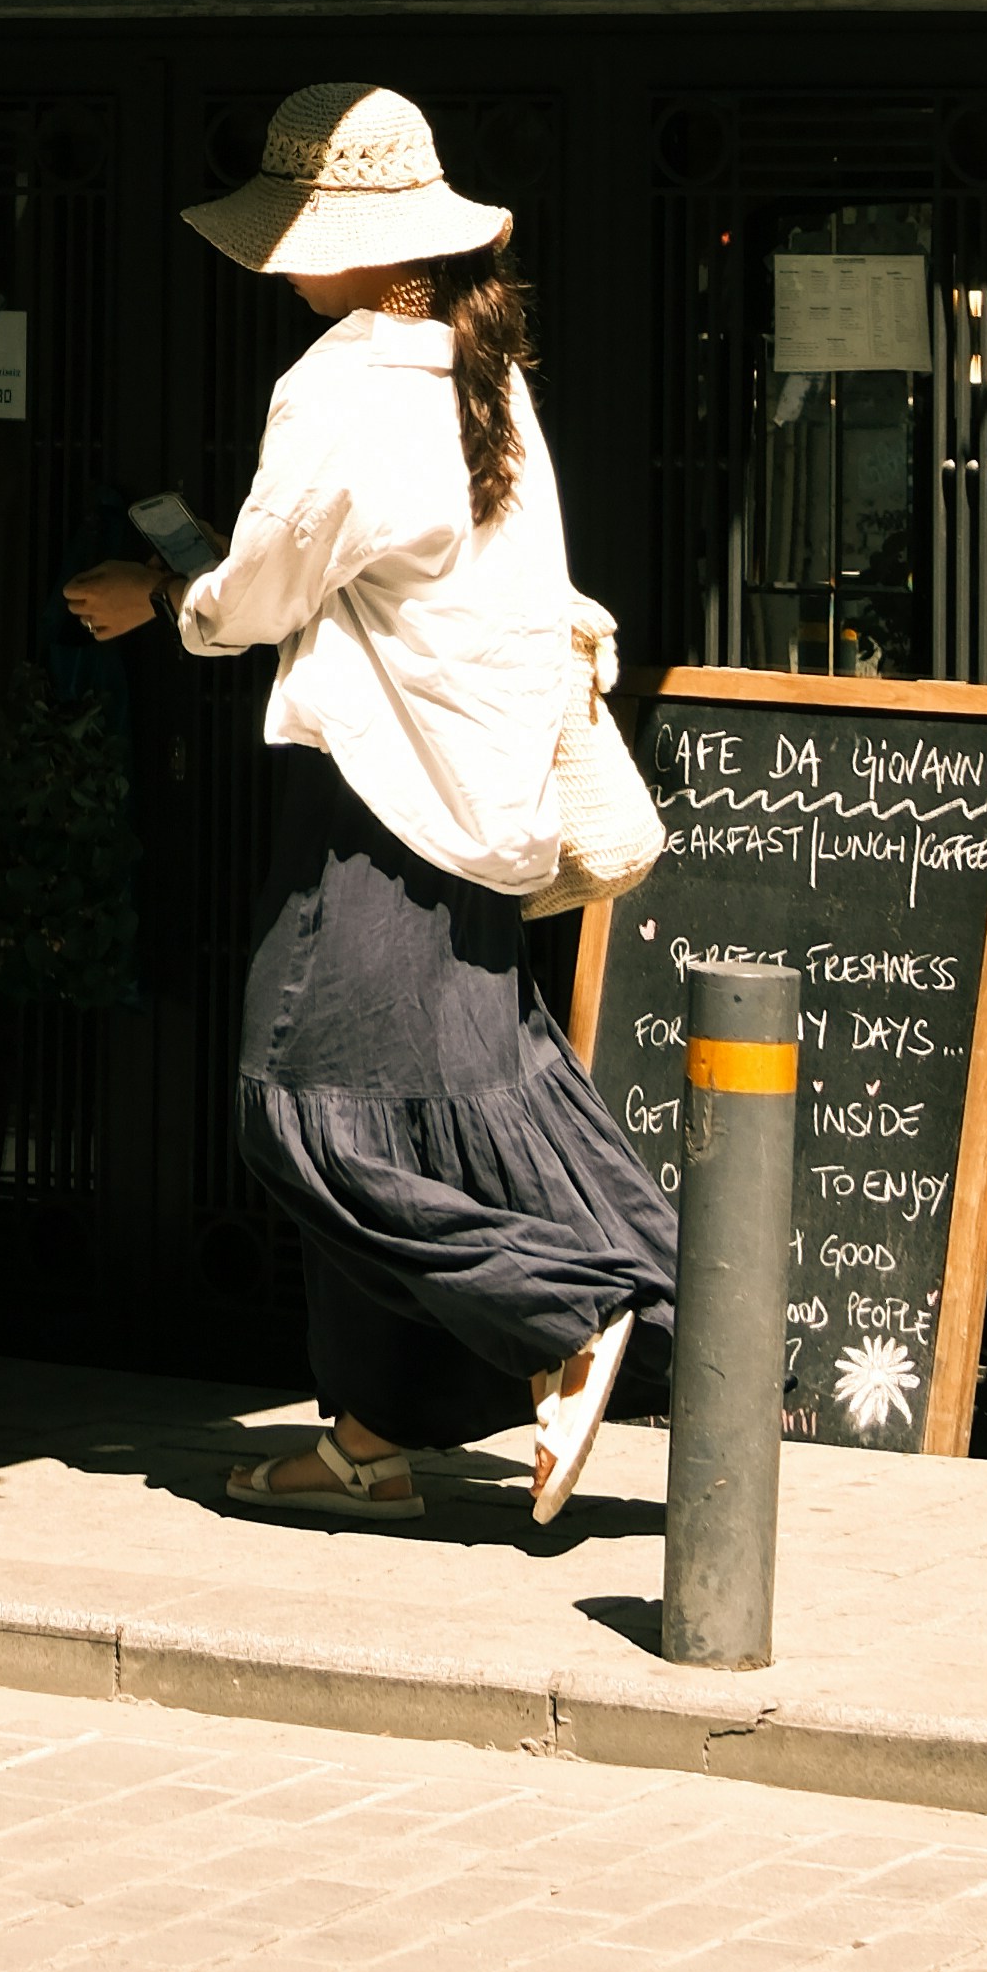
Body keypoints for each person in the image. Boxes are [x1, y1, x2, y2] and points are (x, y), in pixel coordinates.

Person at [66, 80, 675, 1527]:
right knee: (463, 1096)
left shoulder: (342, 382)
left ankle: (566, 1315)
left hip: (378, 802)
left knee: (305, 1108)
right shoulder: (485, 366)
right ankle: (381, 1434)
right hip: (481, 798)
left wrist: (162, 595)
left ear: (340, 241)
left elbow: (263, 590)